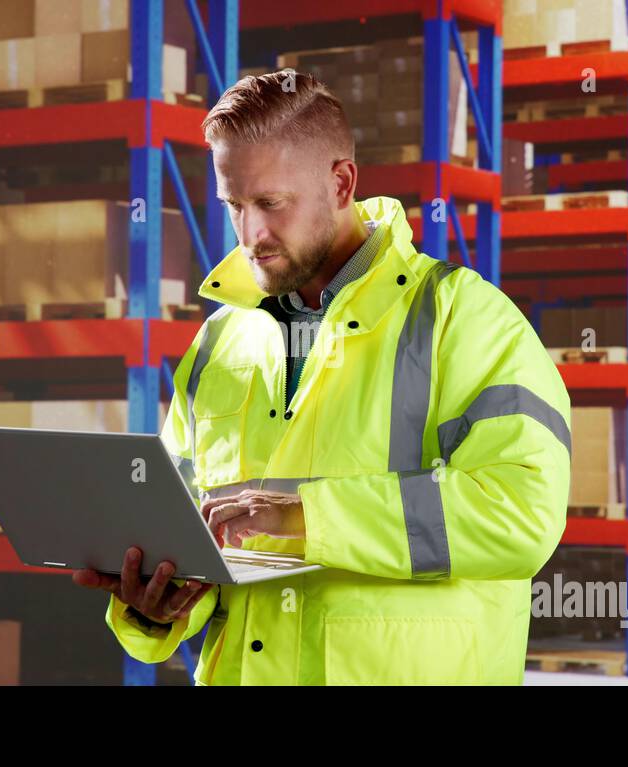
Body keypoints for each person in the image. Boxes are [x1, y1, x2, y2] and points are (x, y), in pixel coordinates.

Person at [73, 70, 571, 685]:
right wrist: (153, 605)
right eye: (235, 205)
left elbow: (523, 513)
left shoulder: (460, 318)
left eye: (270, 204)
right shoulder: (219, 343)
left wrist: (309, 518)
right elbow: (188, 535)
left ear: (340, 183)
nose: (250, 235)